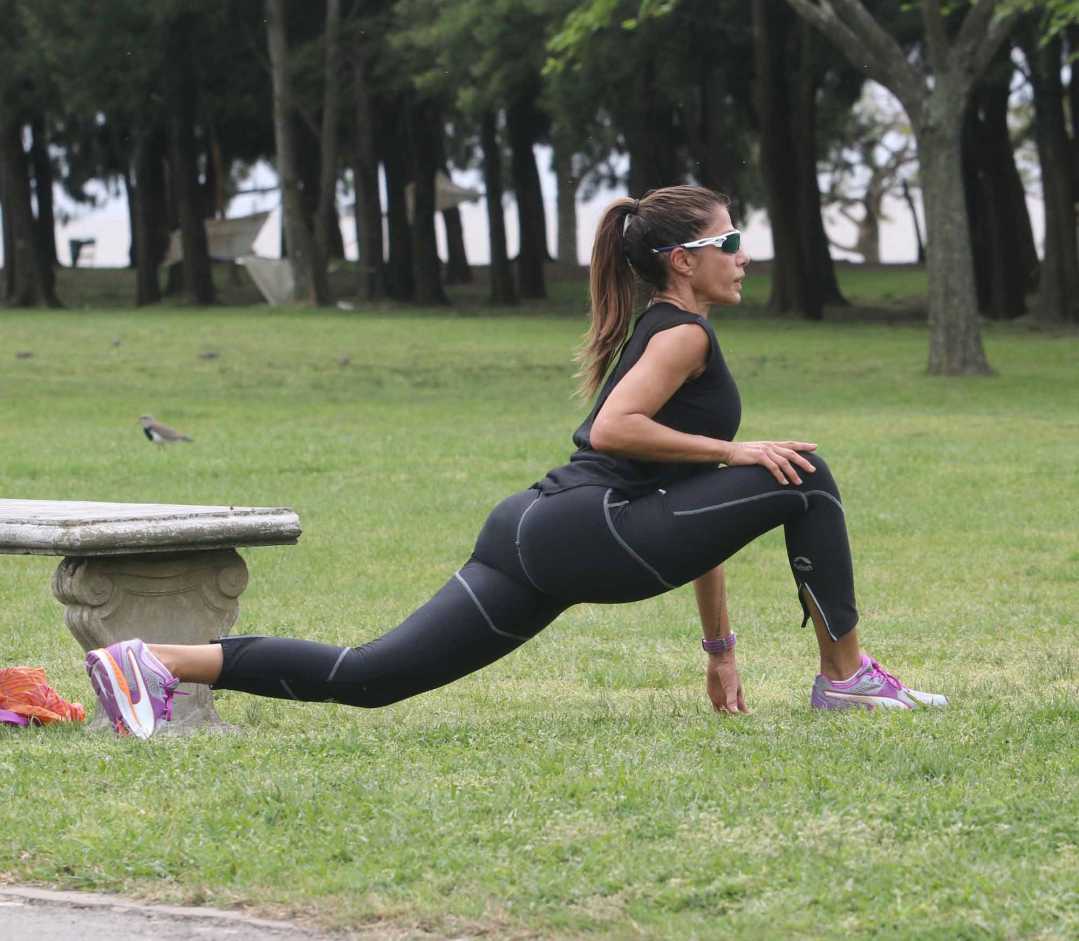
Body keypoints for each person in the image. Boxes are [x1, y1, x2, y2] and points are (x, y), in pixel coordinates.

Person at [85, 185, 945, 740]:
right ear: (685, 260)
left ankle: (155, 660)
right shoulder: (681, 332)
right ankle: (847, 679)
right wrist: (737, 448)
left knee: (376, 674)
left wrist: (719, 645)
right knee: (806, 471)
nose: (744, 255)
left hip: (534, 528)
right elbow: (614, 429)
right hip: (591, 527)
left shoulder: (666, 329)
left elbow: (698, 509)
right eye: (732, 239)